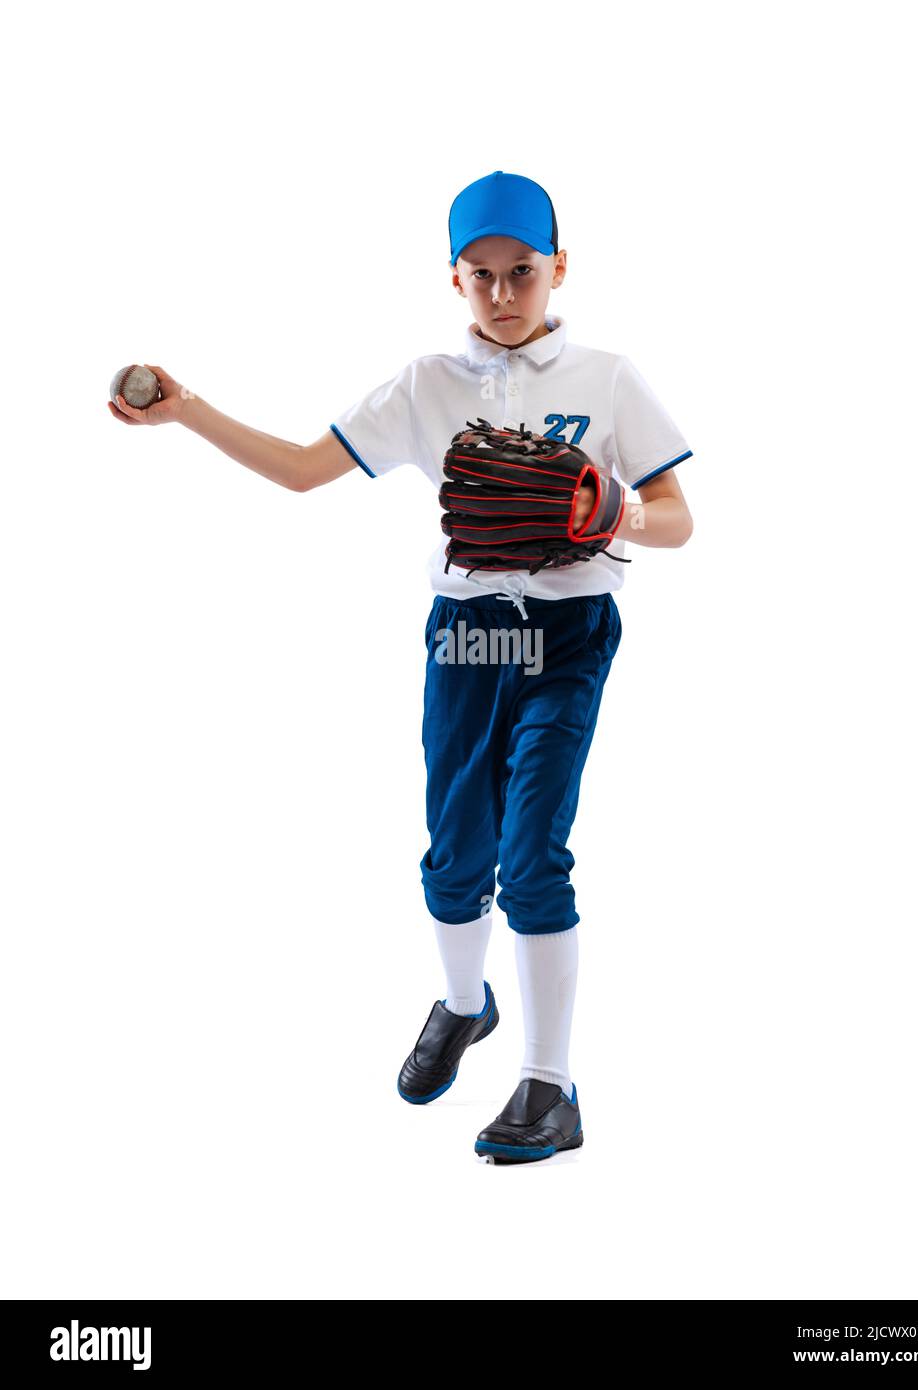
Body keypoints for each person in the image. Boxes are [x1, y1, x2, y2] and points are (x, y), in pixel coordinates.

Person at [108, 169, 694, 1165]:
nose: (505, 293)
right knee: (457, 850)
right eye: (483, 274)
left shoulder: (609, 378)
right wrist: (189, 410)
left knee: (534, 848)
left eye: (524, 271)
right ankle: (466, 1006)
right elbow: (302, 468)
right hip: (465, 636)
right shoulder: (428, 384)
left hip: (567, 634)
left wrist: (624, 511)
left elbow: (680, 519)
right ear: (454, 279)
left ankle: (551, 1088)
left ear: (561, 268)